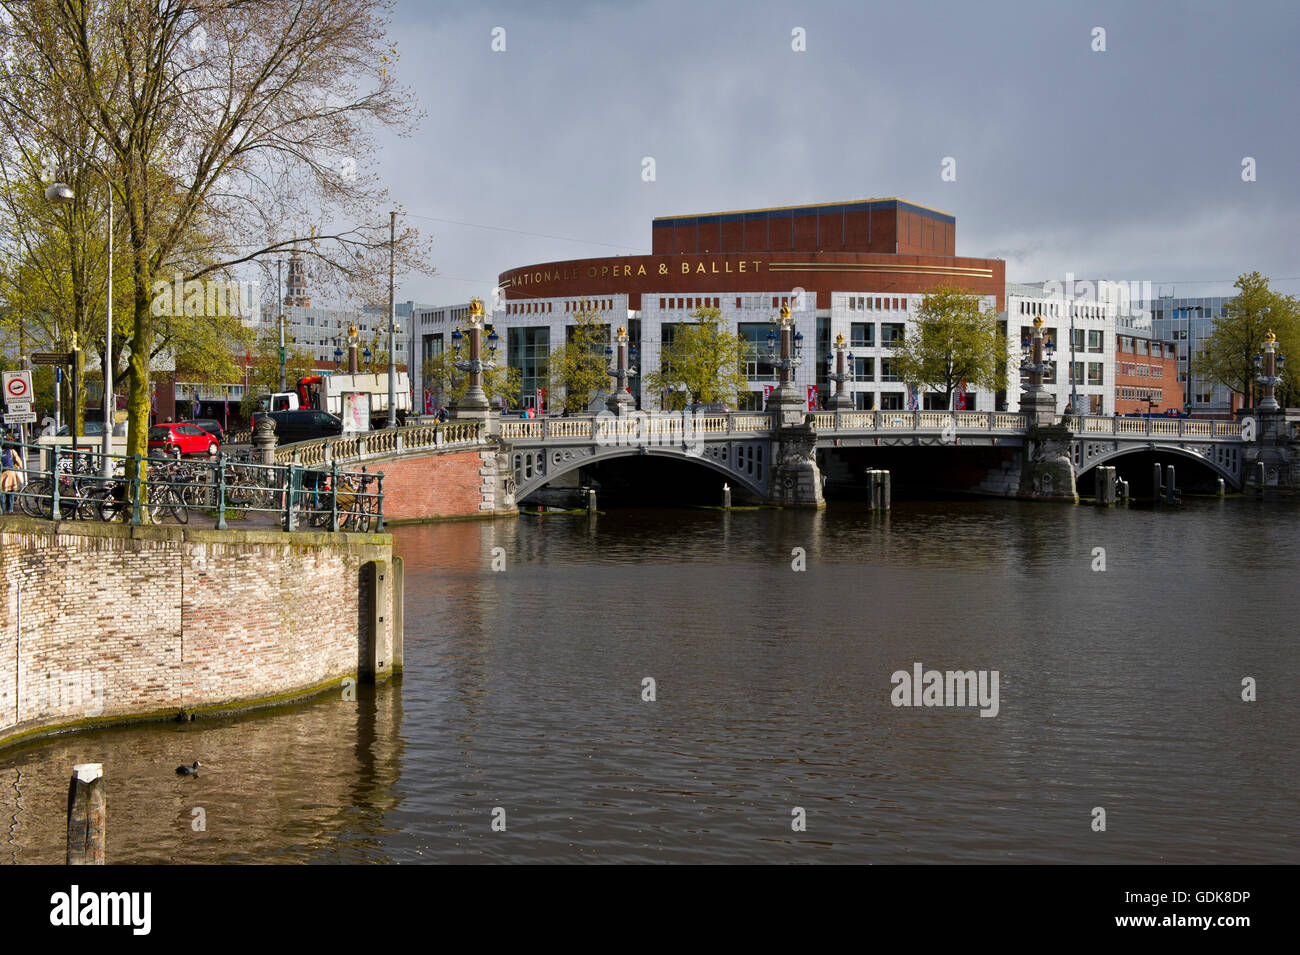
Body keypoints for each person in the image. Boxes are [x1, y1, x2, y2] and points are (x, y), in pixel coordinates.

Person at [1, 443, 24, 513]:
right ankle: (10, 509)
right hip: (11, 473)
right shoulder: (12, 451)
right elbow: (19, 461)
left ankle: (2, 509)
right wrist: (19, 467)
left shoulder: (1, 451)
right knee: (11, 491)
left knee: (1, 492)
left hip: (2, 473)